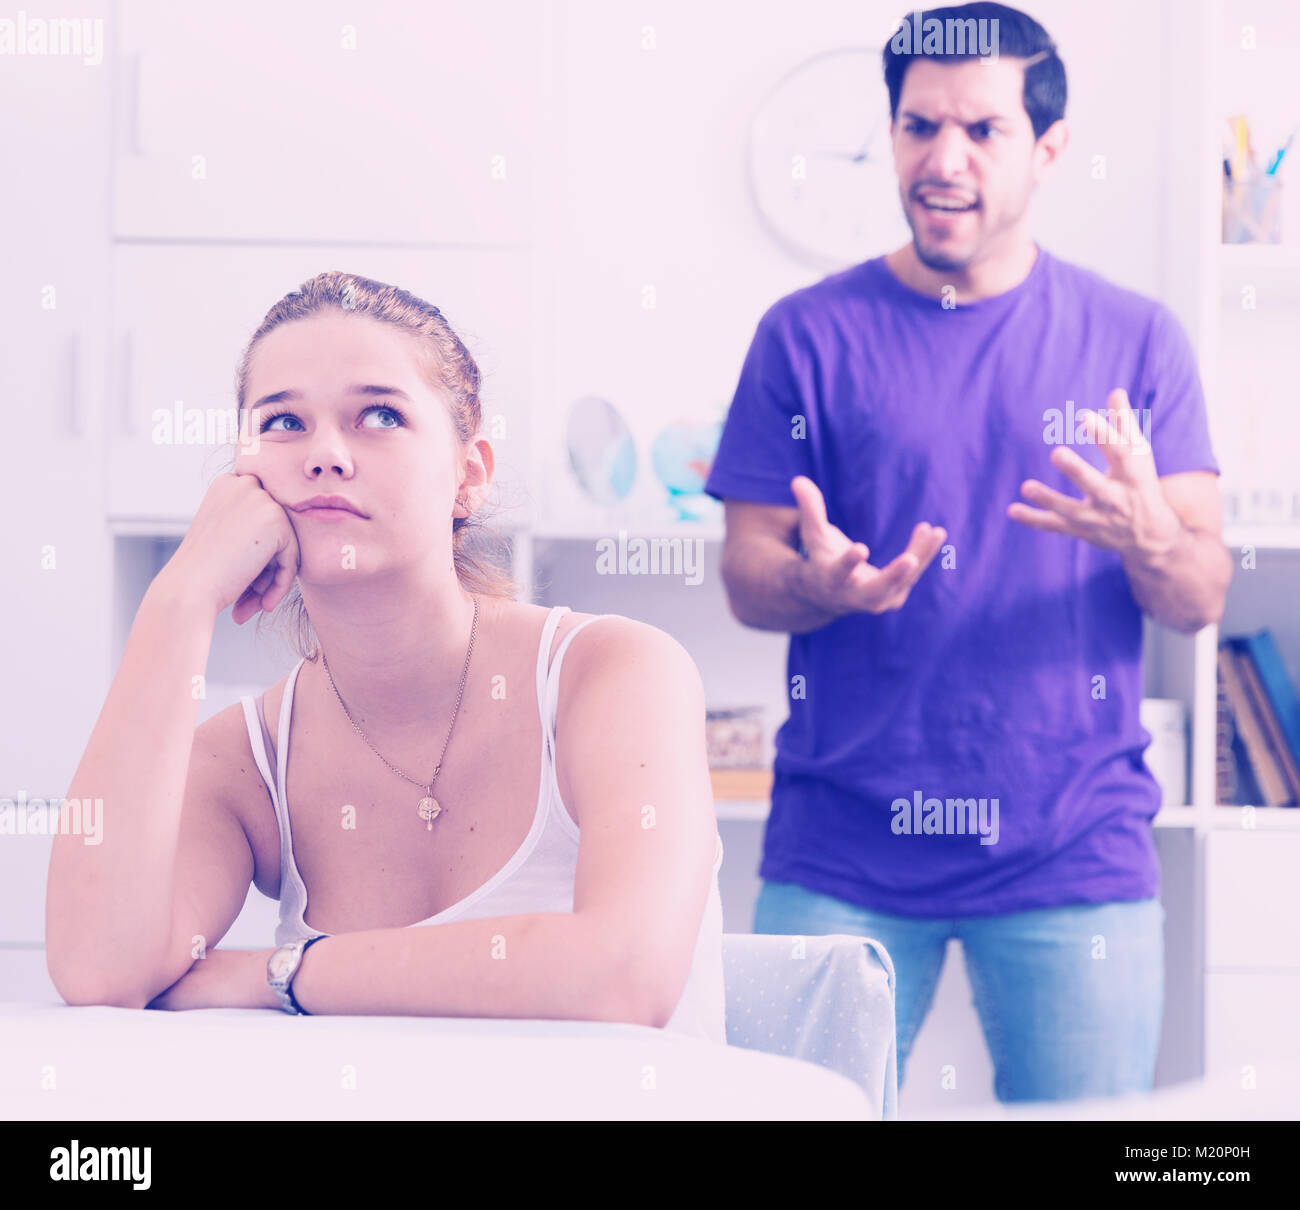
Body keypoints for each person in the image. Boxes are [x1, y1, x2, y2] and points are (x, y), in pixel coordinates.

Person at [704, 1, 1232, 1101]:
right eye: (917, 127)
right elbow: (748, 575)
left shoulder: (1136, 339)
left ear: (1046, 149)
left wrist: (1144, 534)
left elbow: (1198, 590)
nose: (942, 161)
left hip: (1070, 844)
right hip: (842, 842)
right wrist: (817, 585)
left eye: (981, 132)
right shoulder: (803, 334)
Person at [46, 270, 726, 1045]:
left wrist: (282, 973)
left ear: (467, 476)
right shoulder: (246, 761)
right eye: (283, 422)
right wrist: (179, 602)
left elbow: (622, 976)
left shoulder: (614, 673)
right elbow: (100, 968)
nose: (326, 454)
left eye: (379, 415)